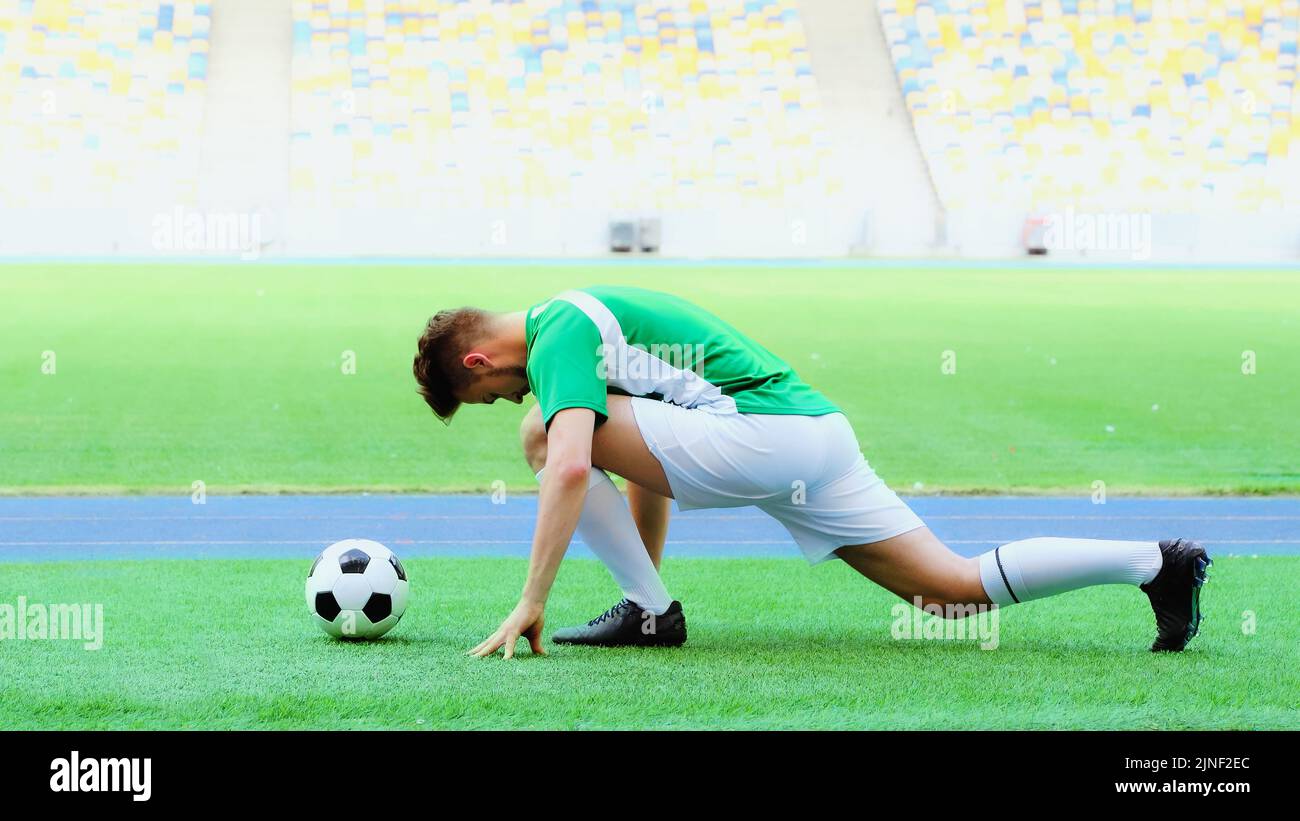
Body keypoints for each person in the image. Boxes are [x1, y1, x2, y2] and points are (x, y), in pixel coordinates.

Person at [411, 286, 1211, 658]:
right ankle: (1158, 562)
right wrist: (643, 586)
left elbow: (573, 465)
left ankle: (653, 614)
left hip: (765, 438)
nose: (500, 395)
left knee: (545, 436)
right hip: (815, 436)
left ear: (479, 360)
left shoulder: (556, 335)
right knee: (950, 592)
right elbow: (642, 463)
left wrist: (531, 600)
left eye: (482, 391)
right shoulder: (586, 331)